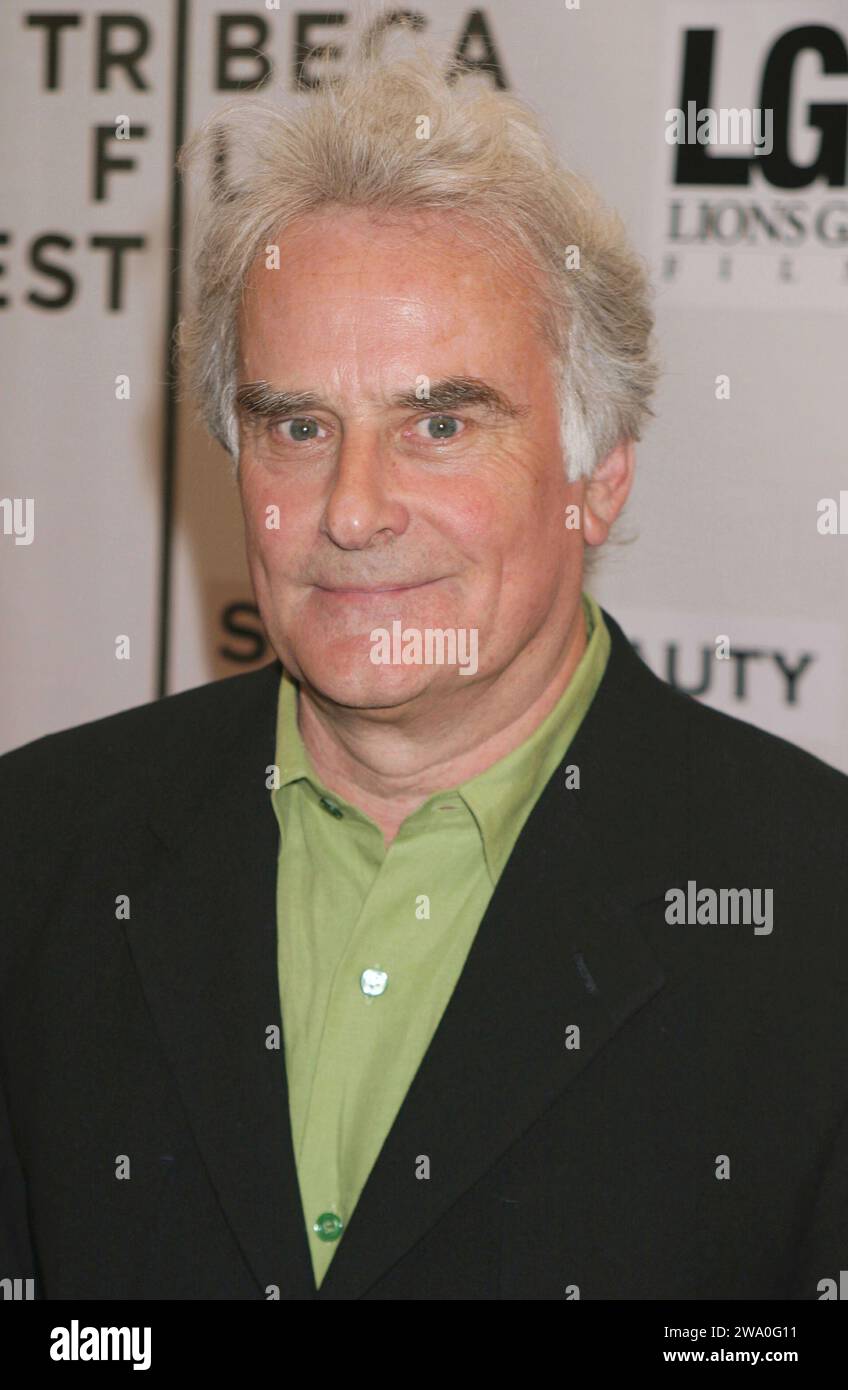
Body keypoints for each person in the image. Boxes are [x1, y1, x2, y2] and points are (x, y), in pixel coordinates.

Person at [1, 23, 846, 1302]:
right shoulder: (37, 852)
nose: (352, 508)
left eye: (439, 422)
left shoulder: (811, 904)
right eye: (296, 425)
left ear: (596, 472)